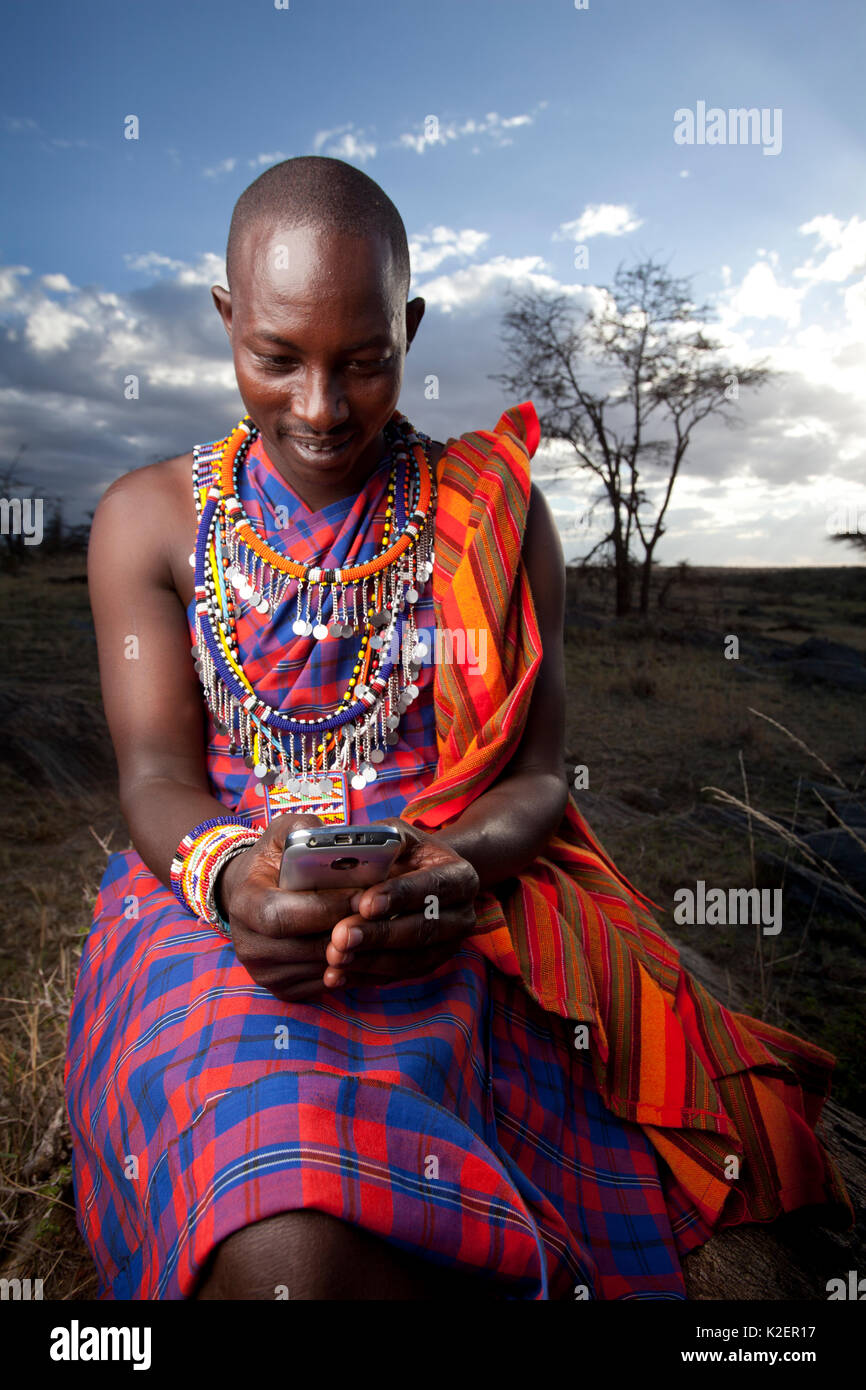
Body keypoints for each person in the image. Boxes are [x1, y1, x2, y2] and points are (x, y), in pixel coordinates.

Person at [64, 156, 850, 1301]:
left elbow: (537, 777)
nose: (321, 407)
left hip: (442, 906)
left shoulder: (496, 512)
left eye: (365, 360)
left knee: (355, 1227)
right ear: (226, 319)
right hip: (205, 903)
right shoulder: (146, 520)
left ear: (412, 326)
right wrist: (236, 879)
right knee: (272, 1228)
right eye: (274, 358)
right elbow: (150, 779)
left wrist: (454, 873)